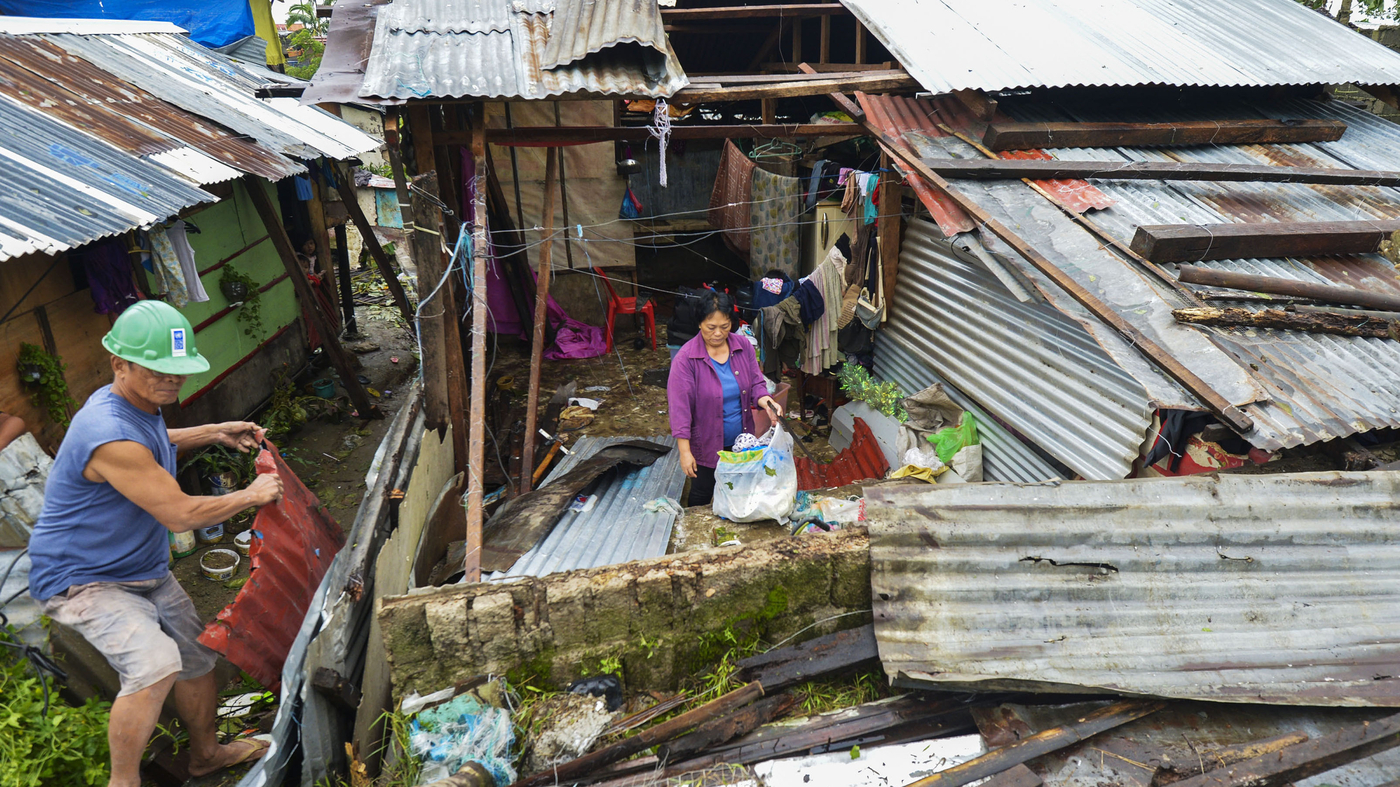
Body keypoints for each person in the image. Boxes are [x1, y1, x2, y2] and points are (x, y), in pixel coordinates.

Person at [27, 300, 285, 787]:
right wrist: (251, 495)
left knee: (194, 654)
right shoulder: (108, 432)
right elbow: (179, 512)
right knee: (155, 663)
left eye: (177, 371)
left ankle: (206, 755)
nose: (170, 381)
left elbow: (155, 439)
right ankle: (124, 782)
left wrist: (213, 431)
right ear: (118, 365)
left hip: (143, 569)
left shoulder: (136, 407)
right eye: (157, 370)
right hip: (84, 580)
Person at [668, 292, 783, 507]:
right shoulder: (686, 359)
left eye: (725, 326)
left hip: (742, 438)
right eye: (711, 327)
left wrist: (767, 402)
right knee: (702, 491)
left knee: (739, 489)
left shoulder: (743, 346)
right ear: (699, 323)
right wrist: (685, 452)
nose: (719, 333)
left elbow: (757, 383)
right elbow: (680, 409)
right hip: (706, 443)